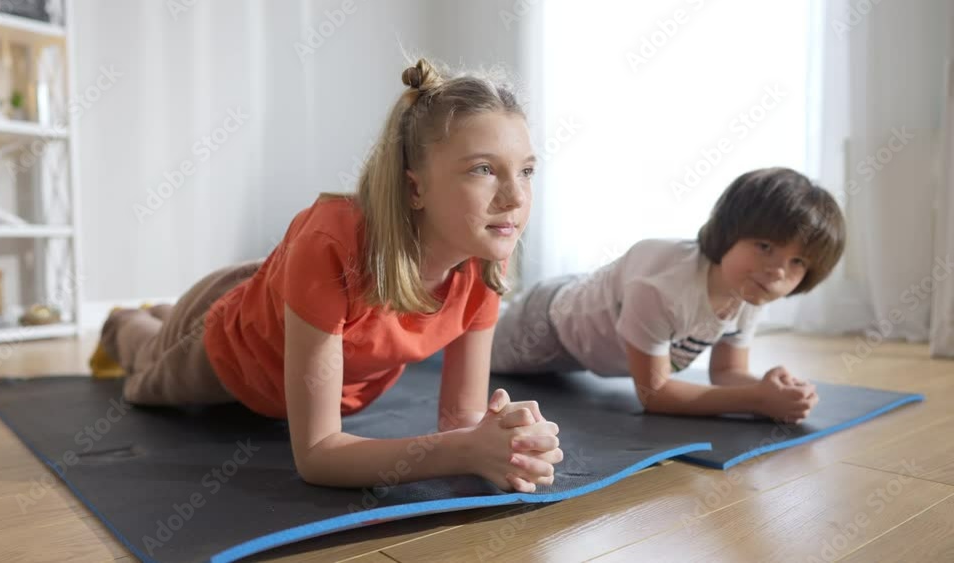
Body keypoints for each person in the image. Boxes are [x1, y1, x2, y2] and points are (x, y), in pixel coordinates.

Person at [89, 59, 562, 493]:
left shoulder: (484, 255)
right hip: (229, 348)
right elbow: (317, 456)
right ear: (414, 188)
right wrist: (463, 451)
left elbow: (461, 420)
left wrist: (506, 442)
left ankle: (162, 313)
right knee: (144, 371)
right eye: (484, 169)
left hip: (290, 306)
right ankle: (126, 320)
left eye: (526, 171)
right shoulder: (331, 243)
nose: (515, 197)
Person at [492, 167, 846, 423]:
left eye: (797, 261)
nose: (778, 271)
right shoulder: (663, 287)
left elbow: (727, 372)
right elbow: (655, 394)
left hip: (588, 310)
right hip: (545, 326)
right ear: (729, 231)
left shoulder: (750, 289)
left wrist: (772, 390)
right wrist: (757, 401)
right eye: (765, 246)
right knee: (474, 345)